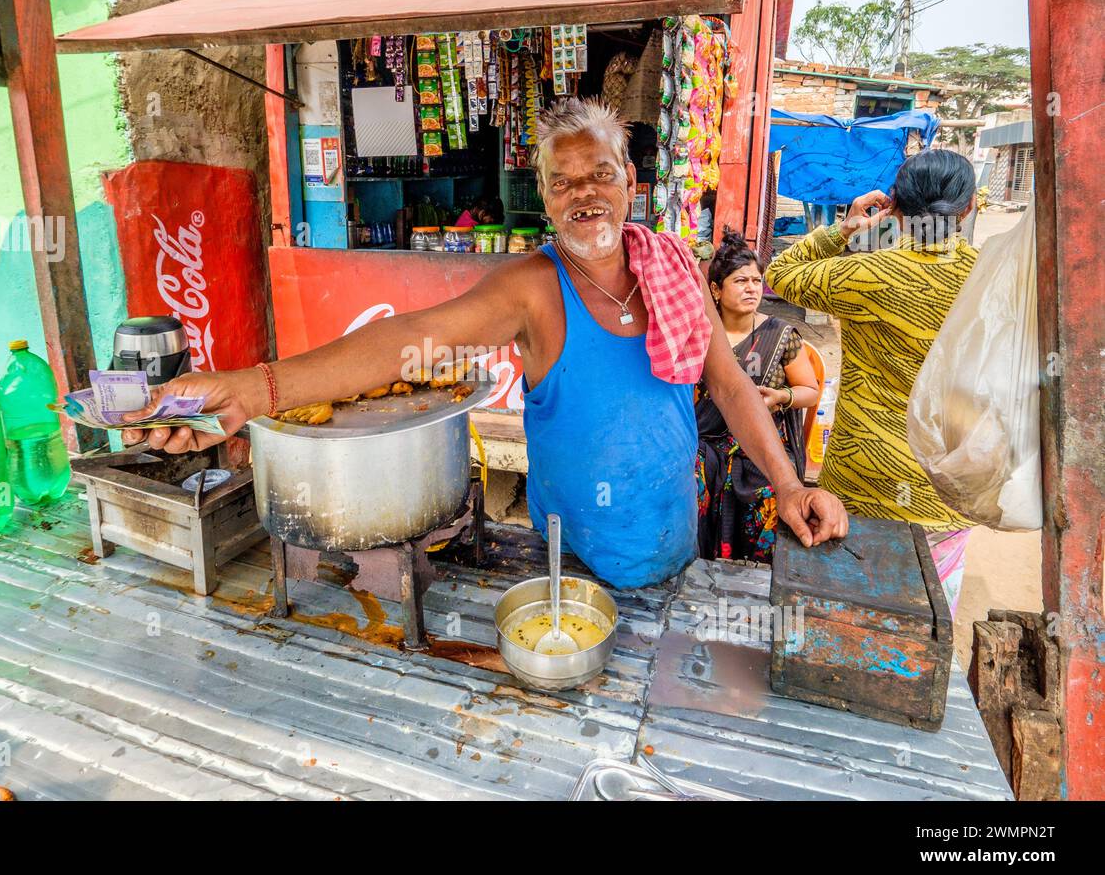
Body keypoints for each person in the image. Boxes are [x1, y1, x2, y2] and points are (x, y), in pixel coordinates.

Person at [124, 97, 847, 591]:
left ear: (630, 179)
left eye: (600, 172)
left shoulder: (674, 266)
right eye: (561, 182)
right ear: (542, 194)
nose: (583, 193)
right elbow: (409, 338)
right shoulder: (531, 289)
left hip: (672, 529)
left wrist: (790, 485)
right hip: (571, 555)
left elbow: (727, 385)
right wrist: (255, 389)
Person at [764, 149, 978, 612]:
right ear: (968, 207)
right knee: (924, 623)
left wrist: (844, 228)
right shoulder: (987, 278)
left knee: (847, 613)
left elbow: (779, 274)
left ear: (894, 204)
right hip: (951, 486)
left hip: (863, 482)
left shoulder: (868, 274)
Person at [696, 227, 819, 562]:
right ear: (715, 290)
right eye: (740, 281)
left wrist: (780, 397)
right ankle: (696, 566)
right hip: (705, 443)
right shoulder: (699, 334)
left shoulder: (779, 334)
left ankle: (758, 574)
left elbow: (810, 391)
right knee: (685, 483)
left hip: (759, 445)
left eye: (756, 280)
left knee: (766, 492)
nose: (752, 288)